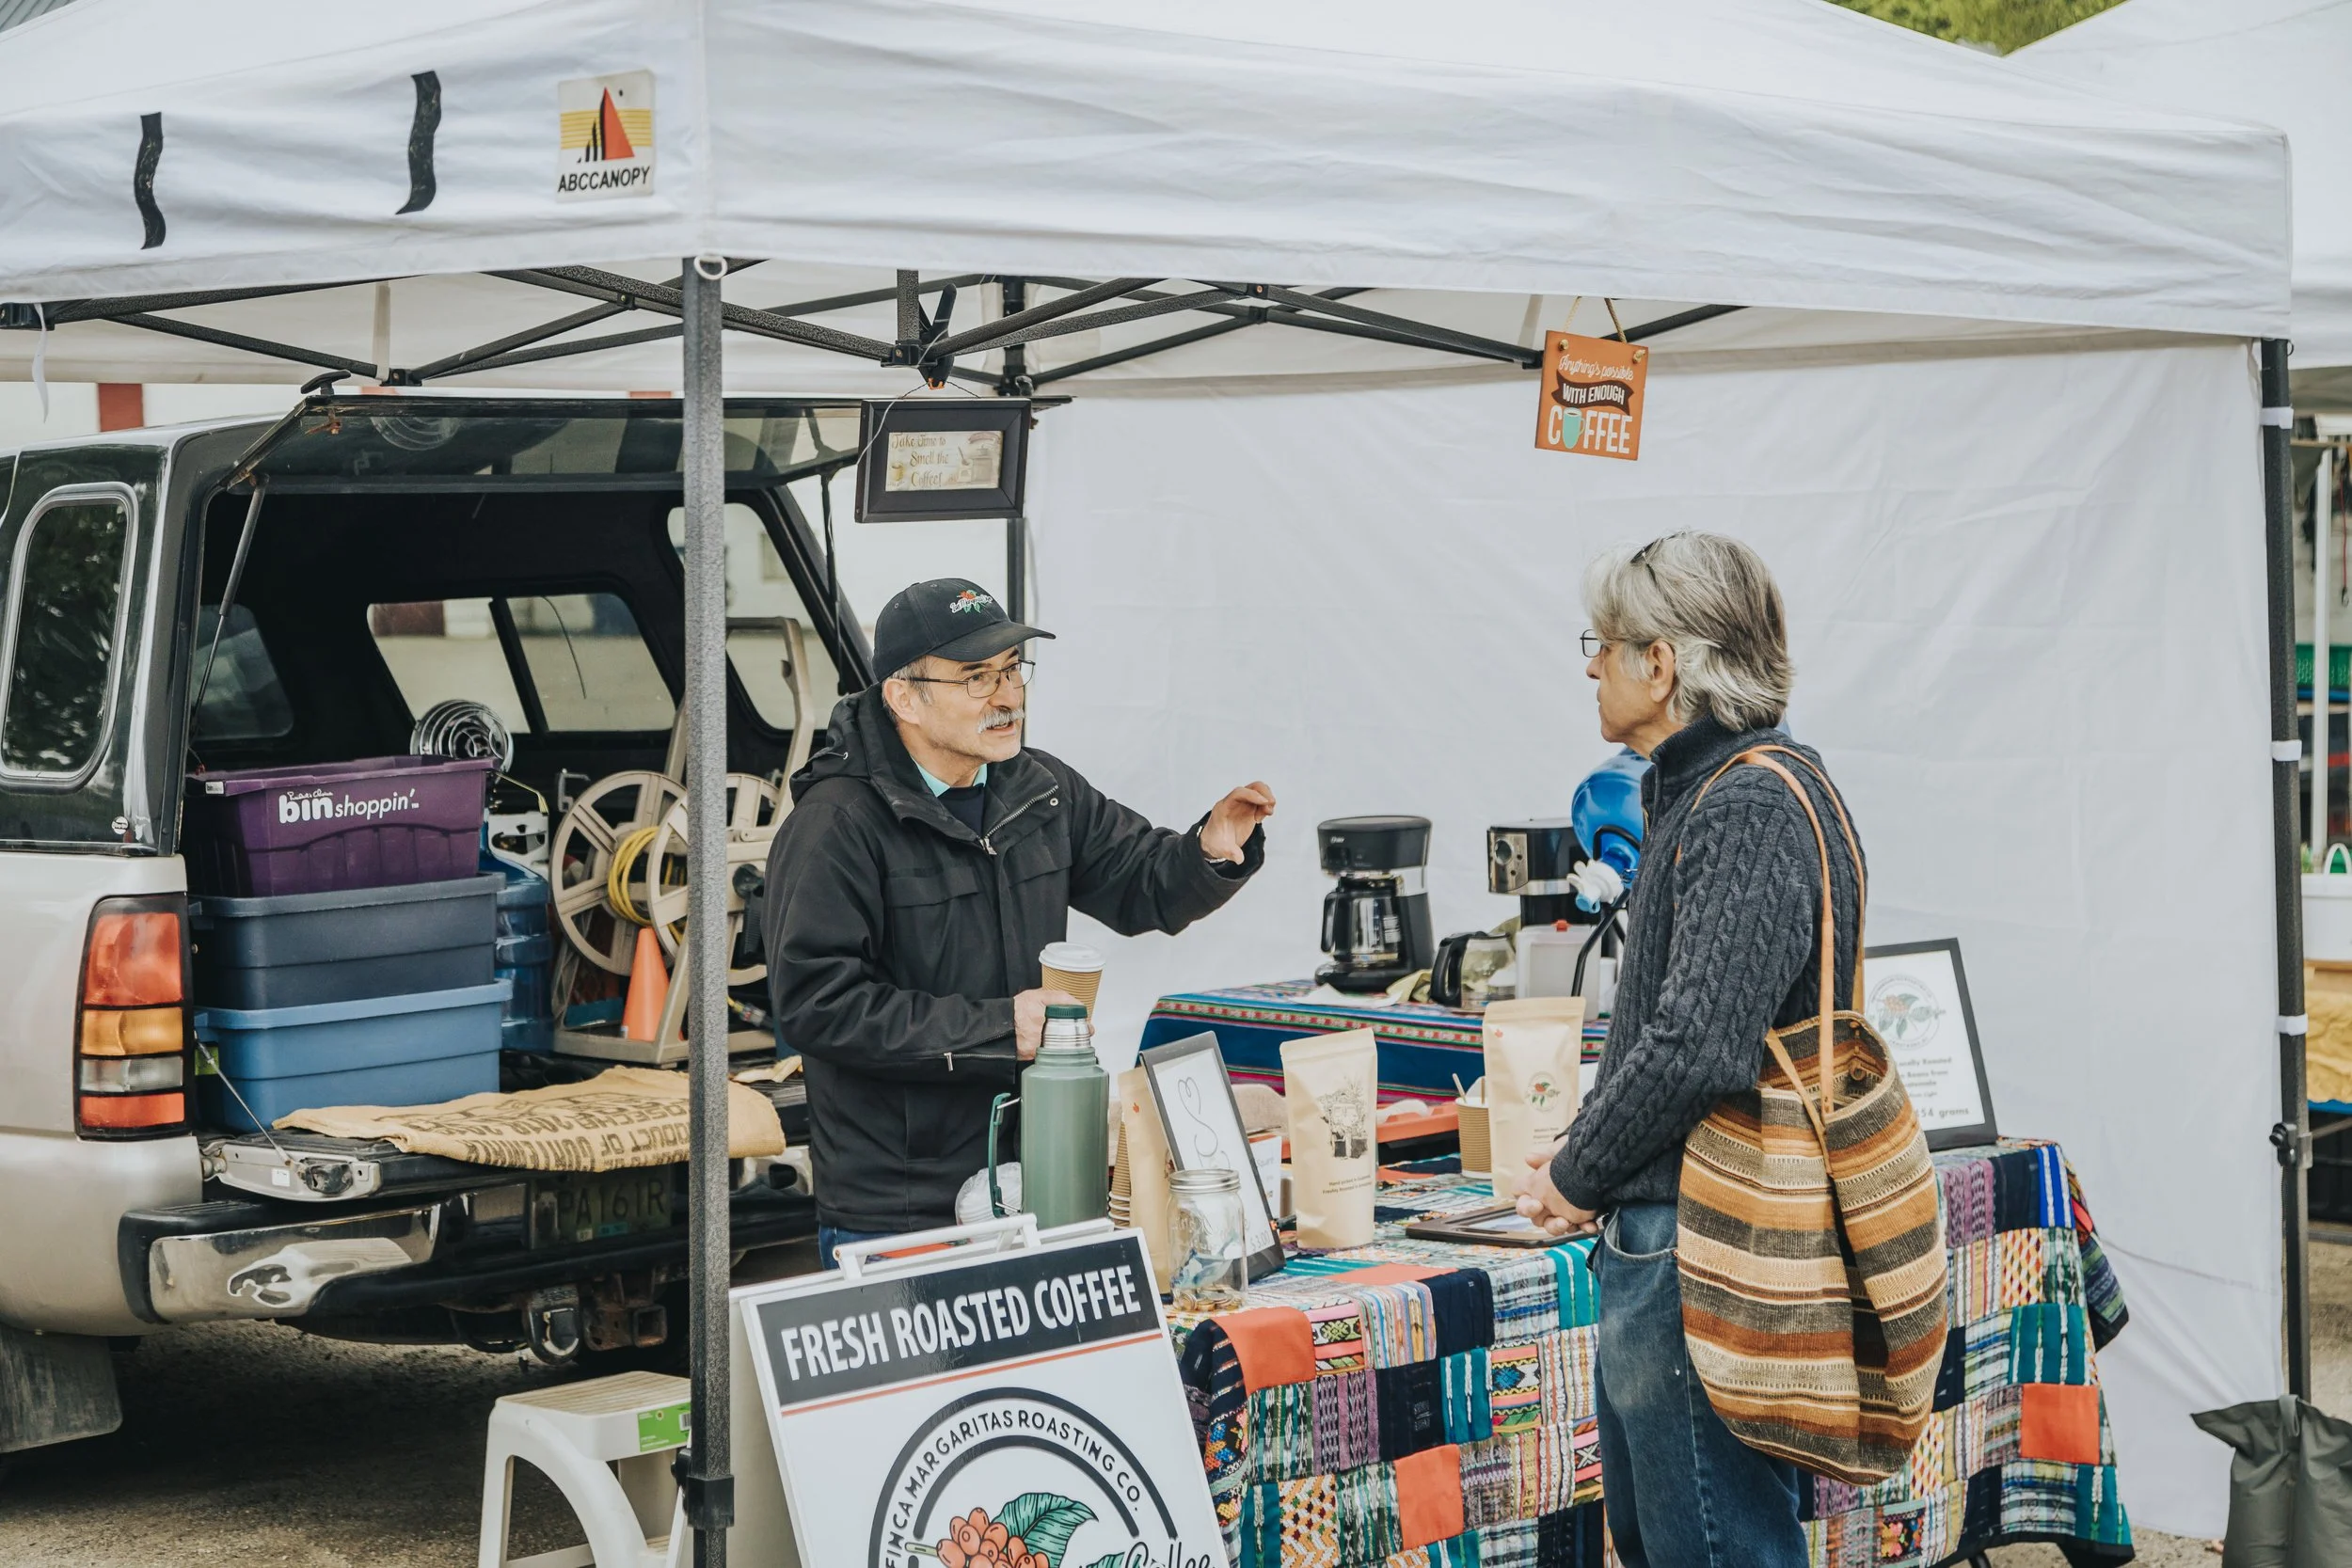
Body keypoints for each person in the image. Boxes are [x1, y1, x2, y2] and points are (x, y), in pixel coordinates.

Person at [1513, 533, 1863, 1568]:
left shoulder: (1746, 801)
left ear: (1660, 663)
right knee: (1671, 1536)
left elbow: (1696, 1040)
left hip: (1702, 1240)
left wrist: (1576, 1169)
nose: (1589, 665)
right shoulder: (1727, 788)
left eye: (1604, 643)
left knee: (1706, 1543)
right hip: (1692, 1227)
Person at [762, 578, 1276, 1265]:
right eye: (977, 678)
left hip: (1040, 1181)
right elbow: (818, 1004)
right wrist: (1003, 1025)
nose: (1008, 697)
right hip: (902, 1213)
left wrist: (1210, 851)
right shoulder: (836, 824)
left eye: (1011, 671)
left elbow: (1140, 881)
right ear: (904, 696)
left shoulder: (1040, 788)